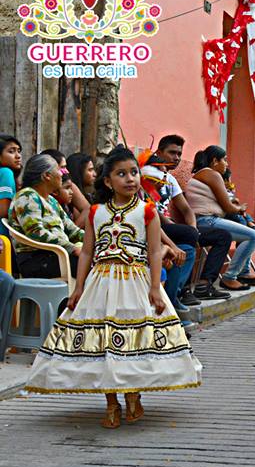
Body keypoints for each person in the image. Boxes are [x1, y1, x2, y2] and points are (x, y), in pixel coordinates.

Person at [24, 146, 202, 428]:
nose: (130, 179)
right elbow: (86, 252)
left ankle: (133, 394)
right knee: (105, 344)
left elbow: (155, 252)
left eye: (134, 172)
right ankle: (111, 404)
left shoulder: (147, 212)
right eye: (121, 174)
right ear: (108, 182)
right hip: (101, 283)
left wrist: (156, 288)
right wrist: (79, 287)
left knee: (134, 341)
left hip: (136, 282)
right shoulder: (96, 212)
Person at [141, 135, 231, 305]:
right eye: (172, 153)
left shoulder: (171, 179)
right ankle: (182, 291)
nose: (176, 158)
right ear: (159, 152)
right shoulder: (147, 174)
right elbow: (150, 211)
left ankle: (204, 284)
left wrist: (193, 228)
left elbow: (186, 209)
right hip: (157, 226)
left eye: (179, 154)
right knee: (187, 240)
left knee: (222, 236)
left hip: (176, 229)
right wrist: (187, 230)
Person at [186, 146, 255, 292]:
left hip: (204, 220)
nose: (227, 164)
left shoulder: (202, 175)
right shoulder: (212, 174)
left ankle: (241, 272)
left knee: (247, 231)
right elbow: (228, 207)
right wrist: (240, 208)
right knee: (254, 236)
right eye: (225, 160)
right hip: (207, 220)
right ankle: (230, 277)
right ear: (215, 161)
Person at [9, 154, 83, 278]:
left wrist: (97, 241)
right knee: (90, 264)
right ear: (47, 176)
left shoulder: (51, 201)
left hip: (56, 256)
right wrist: (72, 248)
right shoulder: (27, 196)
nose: (62, 174)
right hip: (36, 260)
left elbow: (73, 230)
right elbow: (35, 232)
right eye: (58, 170)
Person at [39, 148, 90, 222]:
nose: (66, 171)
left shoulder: (69, 185)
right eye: (62, 167)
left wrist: (73, 230)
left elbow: (87, 209)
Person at [0, 135, 22, 235]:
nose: (18, 156)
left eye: (18, 151)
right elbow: (4, 211)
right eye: (11, 151)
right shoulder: (6, 172)